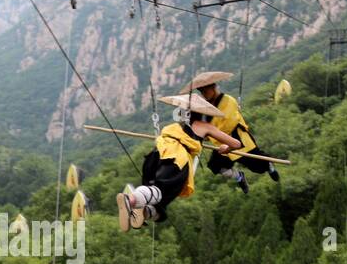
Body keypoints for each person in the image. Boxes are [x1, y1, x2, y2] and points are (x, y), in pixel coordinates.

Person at [115, 94, 242, 231]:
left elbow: (189, 137)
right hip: (176, 158)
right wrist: (225, 148)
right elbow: (236, 144)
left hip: (156, 154)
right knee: (160, 190)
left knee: (161, 201)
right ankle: (131, 200)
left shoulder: (176, 127)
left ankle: (144, 211)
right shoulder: (204, 126)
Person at [175, 71, 281, 194]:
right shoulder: (205, 106)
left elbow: (227, 124)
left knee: (257, 166)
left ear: (213, 87)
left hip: (238, 139)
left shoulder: (228, 100)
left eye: (206, 90)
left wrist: (209, 133)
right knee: (216, 166)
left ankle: (269, 166)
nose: (204, 93)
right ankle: (239, 177)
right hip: (220, 142)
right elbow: (205, 126)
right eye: (202, 91)